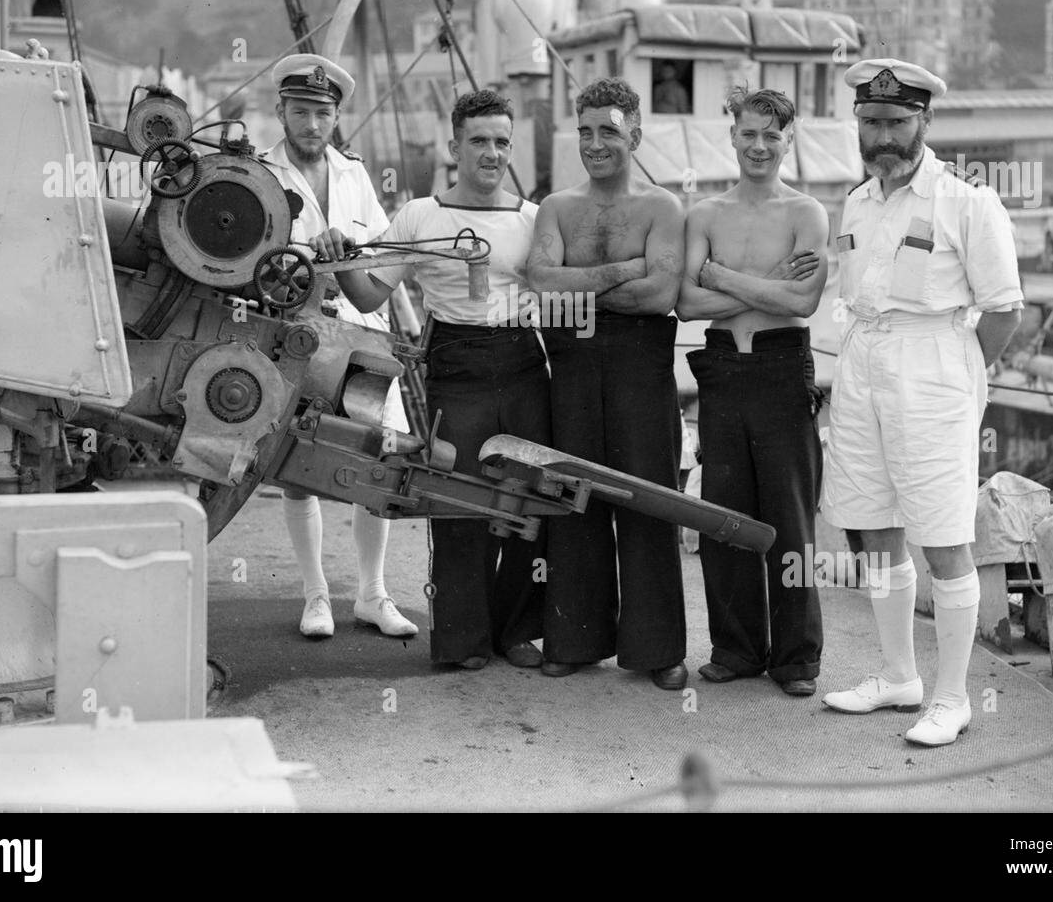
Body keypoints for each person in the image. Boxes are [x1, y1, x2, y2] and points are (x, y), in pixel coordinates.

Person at [820, 58, 1023, 746]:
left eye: (896, 122)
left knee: (942, 537)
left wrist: (955, 382)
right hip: (863, 362)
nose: (882, 135)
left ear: (923, 122)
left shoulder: (967, 202)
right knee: (872, 524)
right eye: (870, 122)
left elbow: (1003, 311)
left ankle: (953, 696)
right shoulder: (856, 202)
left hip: (933, 365)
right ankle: (898, 674)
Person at [325, 89, 549, 671]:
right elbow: (372, 293)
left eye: (502, 141)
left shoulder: (531, 219)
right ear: (455, 146)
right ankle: (463, 639)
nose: (492, 153)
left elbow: (562, 296)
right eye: (478, 140)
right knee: (458, 502)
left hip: (524, 364)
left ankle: (516, 632)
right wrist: (343, 257)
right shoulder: (422, 216)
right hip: (456, 365)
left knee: (528, 501)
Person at [526, 77, 689, 691]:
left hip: (641, 371)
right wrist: (626, 270)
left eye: (610, 132)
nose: (596, 143)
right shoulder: (556, 207)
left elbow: (661, 294)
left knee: (649, 501)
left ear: (635, 136)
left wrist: (579, 280)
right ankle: (574, 637)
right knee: (574, 497)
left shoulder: (662, 208)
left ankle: (658, 650)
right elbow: (541, 281)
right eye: (586, 131)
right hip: (570, 368)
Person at [676, 86, 829, 696]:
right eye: (749, 133)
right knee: (725, 516)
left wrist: (721, 276)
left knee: (790, 521)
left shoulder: (806, 213)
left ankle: (797, 659)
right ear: (732, 135)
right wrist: (764, 283)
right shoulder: (705, 214)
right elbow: (687, 303)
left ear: (788, 140)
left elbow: (805, 301)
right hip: (720, 370)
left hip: (780, 367)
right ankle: (736, 650)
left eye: (772, 135)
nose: (759, 146)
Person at [259, 54, 417, 641]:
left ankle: (372, 595)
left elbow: (378, 257)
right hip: (293, 338)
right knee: (299, 468)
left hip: (360, 337)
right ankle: (315, 596)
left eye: (322, 113)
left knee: (375, 460)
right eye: (300, 111)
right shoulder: (263, 175)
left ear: (336, 118)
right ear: (281, 112)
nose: (311, 124)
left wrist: (351, 251)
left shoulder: (352, 174)